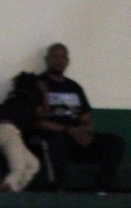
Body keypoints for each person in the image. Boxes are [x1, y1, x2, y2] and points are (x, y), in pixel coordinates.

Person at [35, 44, 125, 192]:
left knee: (116, 142)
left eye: (63, 56)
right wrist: (68, 130)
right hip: (54, 137)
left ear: (68, 61)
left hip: (75, 139)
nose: (59, 60)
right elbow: (36, 122)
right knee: (55, 140)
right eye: (55, 56)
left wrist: (86, 133)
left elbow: (86, 118)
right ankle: (57, 189)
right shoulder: (38, 84)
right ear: (47, 59)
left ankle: (100, 189)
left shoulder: (74, 87)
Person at [0, 73, 47, 193]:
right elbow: (43, 115)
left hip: (1, 132)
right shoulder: (29, 100)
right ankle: (6, 186)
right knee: (18, 168)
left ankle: (15, 188)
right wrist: (44, 93)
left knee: (33, 164)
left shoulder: (14, 98)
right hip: (9, 131)